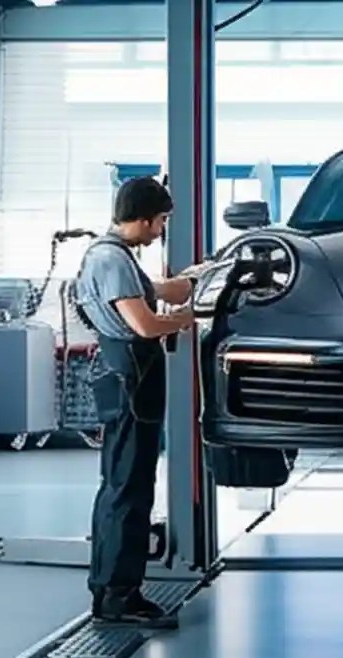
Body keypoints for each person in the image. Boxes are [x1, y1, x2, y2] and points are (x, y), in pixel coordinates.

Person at [73, 177, 197, 625]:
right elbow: (144, 325)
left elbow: (151, 292)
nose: (162, 229)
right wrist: (188, 319)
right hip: (132, 381)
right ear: (144, 218)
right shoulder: (112, 259)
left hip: (126, 379)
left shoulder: (111, 255)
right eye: (162, 220)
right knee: (129, 487)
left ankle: (109, 588)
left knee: (120, 483)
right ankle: (119, 597)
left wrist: (182, 285)